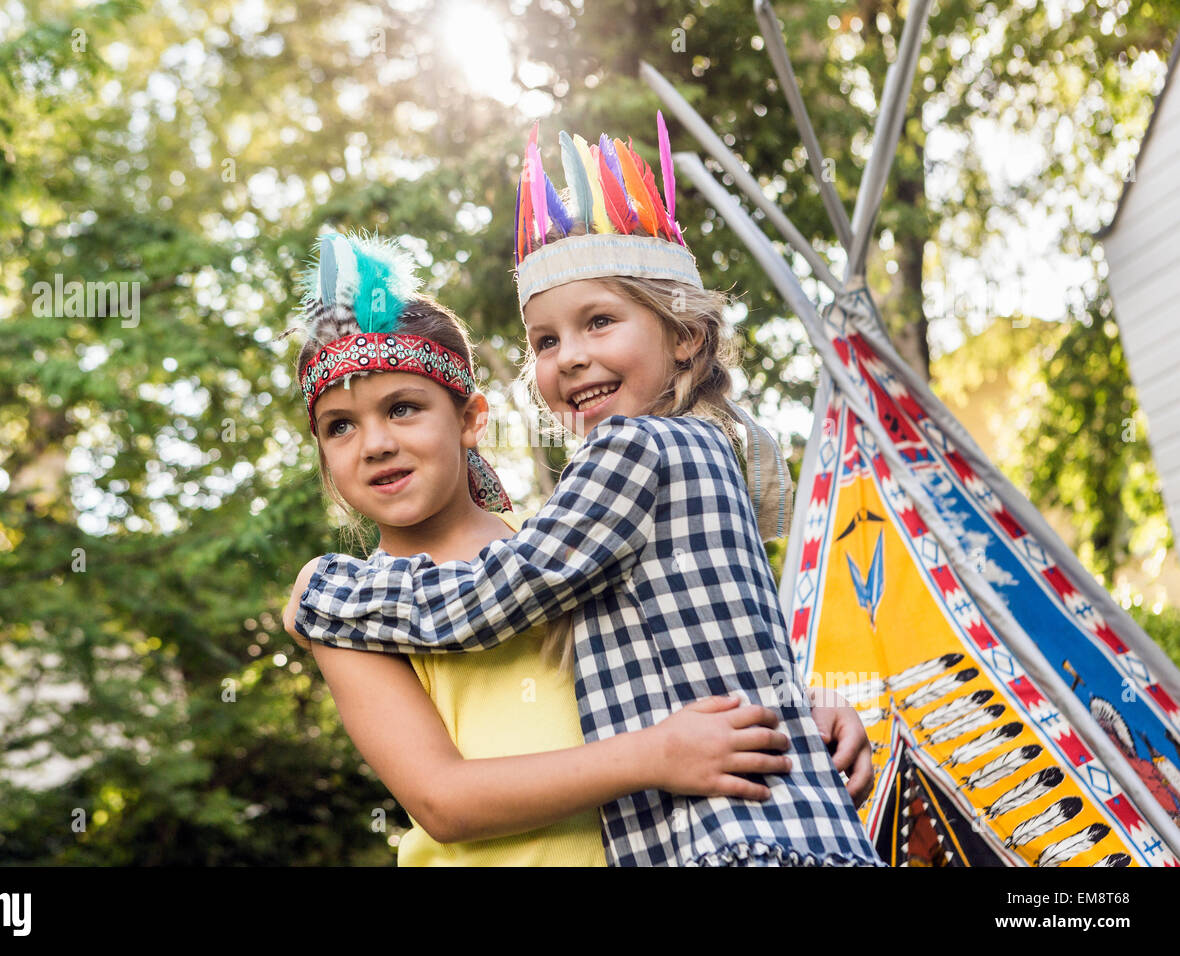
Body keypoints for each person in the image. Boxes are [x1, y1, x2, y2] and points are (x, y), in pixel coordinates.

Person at [291, 119, 882, 867]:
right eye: (340, 426)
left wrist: (805, 713)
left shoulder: (554, 539)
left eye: (403, 409)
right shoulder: (358, 603)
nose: (374, 441)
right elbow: (444, 801)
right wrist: (655, 755)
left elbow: (697, 645)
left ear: (471, 419)